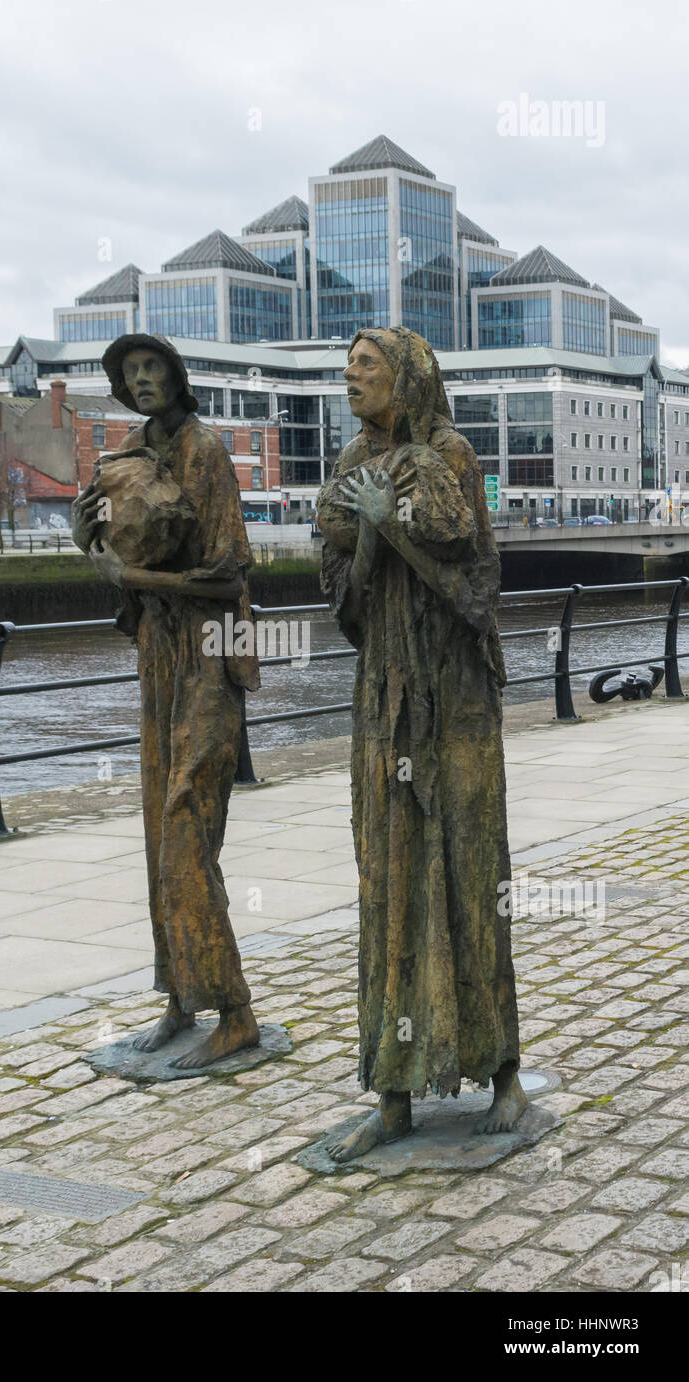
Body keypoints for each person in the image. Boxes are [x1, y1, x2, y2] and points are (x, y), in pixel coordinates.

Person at [315, 325, 526, 1161]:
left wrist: (394, 528)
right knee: (389, 880)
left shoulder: (455, 455)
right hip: (385, 705)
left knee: (475, 874)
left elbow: (477, 589)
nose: (350, 378)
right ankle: (394, 1092)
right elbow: (347, 608)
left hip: (458, 704)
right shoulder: (349, 462)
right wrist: (369, 534)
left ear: (406, 376)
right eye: (348, 367)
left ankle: (502, 1071)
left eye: (365, 367)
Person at [71, 334, 259, 1069]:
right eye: (130, 373)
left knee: (187, 822)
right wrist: (92, 549)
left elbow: (225, 574)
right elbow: (118, 560)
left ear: (177, 378)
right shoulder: (124, 453)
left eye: (153, 369)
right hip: (158, 654)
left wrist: (134, 579)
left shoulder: (206, 451)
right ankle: (180, 998)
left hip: (209, 654)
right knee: (158, 822)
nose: (142, 380)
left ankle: (235, 1011)